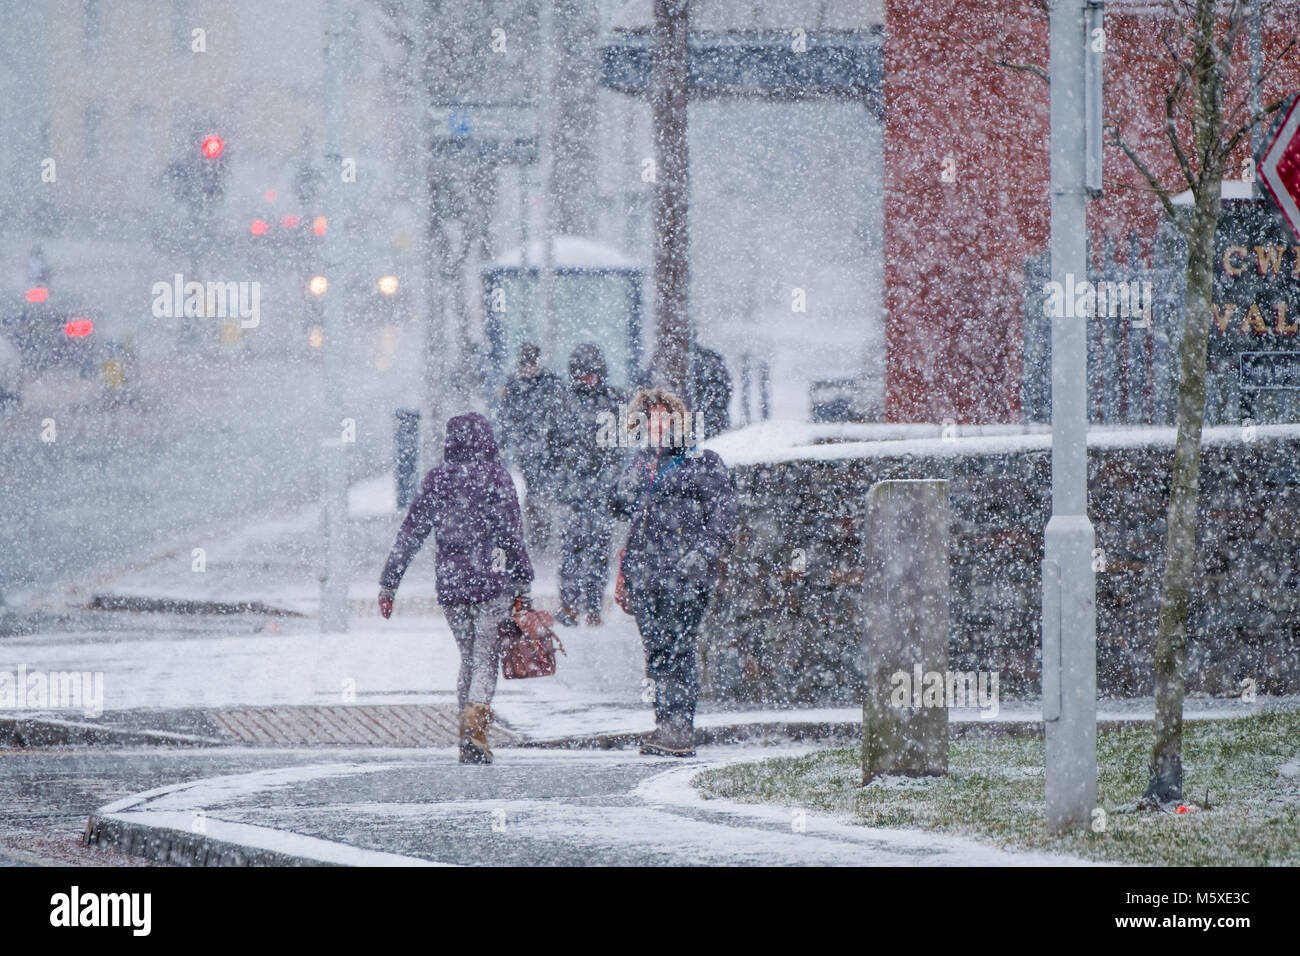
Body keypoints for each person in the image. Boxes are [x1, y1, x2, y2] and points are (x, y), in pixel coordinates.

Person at [378, 412, 533, 765]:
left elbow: (410, 534)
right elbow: (511, 535)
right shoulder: (497, 478)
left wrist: (389, 584)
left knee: (468, 658)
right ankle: (476, 731)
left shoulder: (437, 480)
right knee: (484, 659)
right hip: (492, 581)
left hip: (452, 585)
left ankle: (466, 736)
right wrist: (523, 581)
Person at [611, 387, 737, 757]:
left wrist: (702, 553)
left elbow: (723, 514)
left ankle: (680, 727)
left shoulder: (703, 461)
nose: (658, 425)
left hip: (686, 576)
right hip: (646, 576)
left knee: (679, 648)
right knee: (657, 651)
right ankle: (665, 723)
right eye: (651, 419)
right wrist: (628, 486)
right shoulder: (636, 465)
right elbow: (617, 509)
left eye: (666, 417)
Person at [555, 342, 624, 627]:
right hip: (572, 493)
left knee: (598, 552)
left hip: (600, 492)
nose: (589, 380)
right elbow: (553, 447)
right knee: (571, 551)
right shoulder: (563, 402)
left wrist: (608, 480)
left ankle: (593, 607)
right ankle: (569, 605)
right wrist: (562, 481)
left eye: (593, 374)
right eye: (584, 374)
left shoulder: (611, 402)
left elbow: (618, 447)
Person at [497, 342, 566, 551]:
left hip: (545, 446)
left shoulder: (545, 384)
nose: (528, 368)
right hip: (530, 447)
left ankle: (542, 530)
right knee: (537, 489)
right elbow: (506, 418)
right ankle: (540, 531)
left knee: (542, 490)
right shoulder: (518, 386)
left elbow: (558, 415)